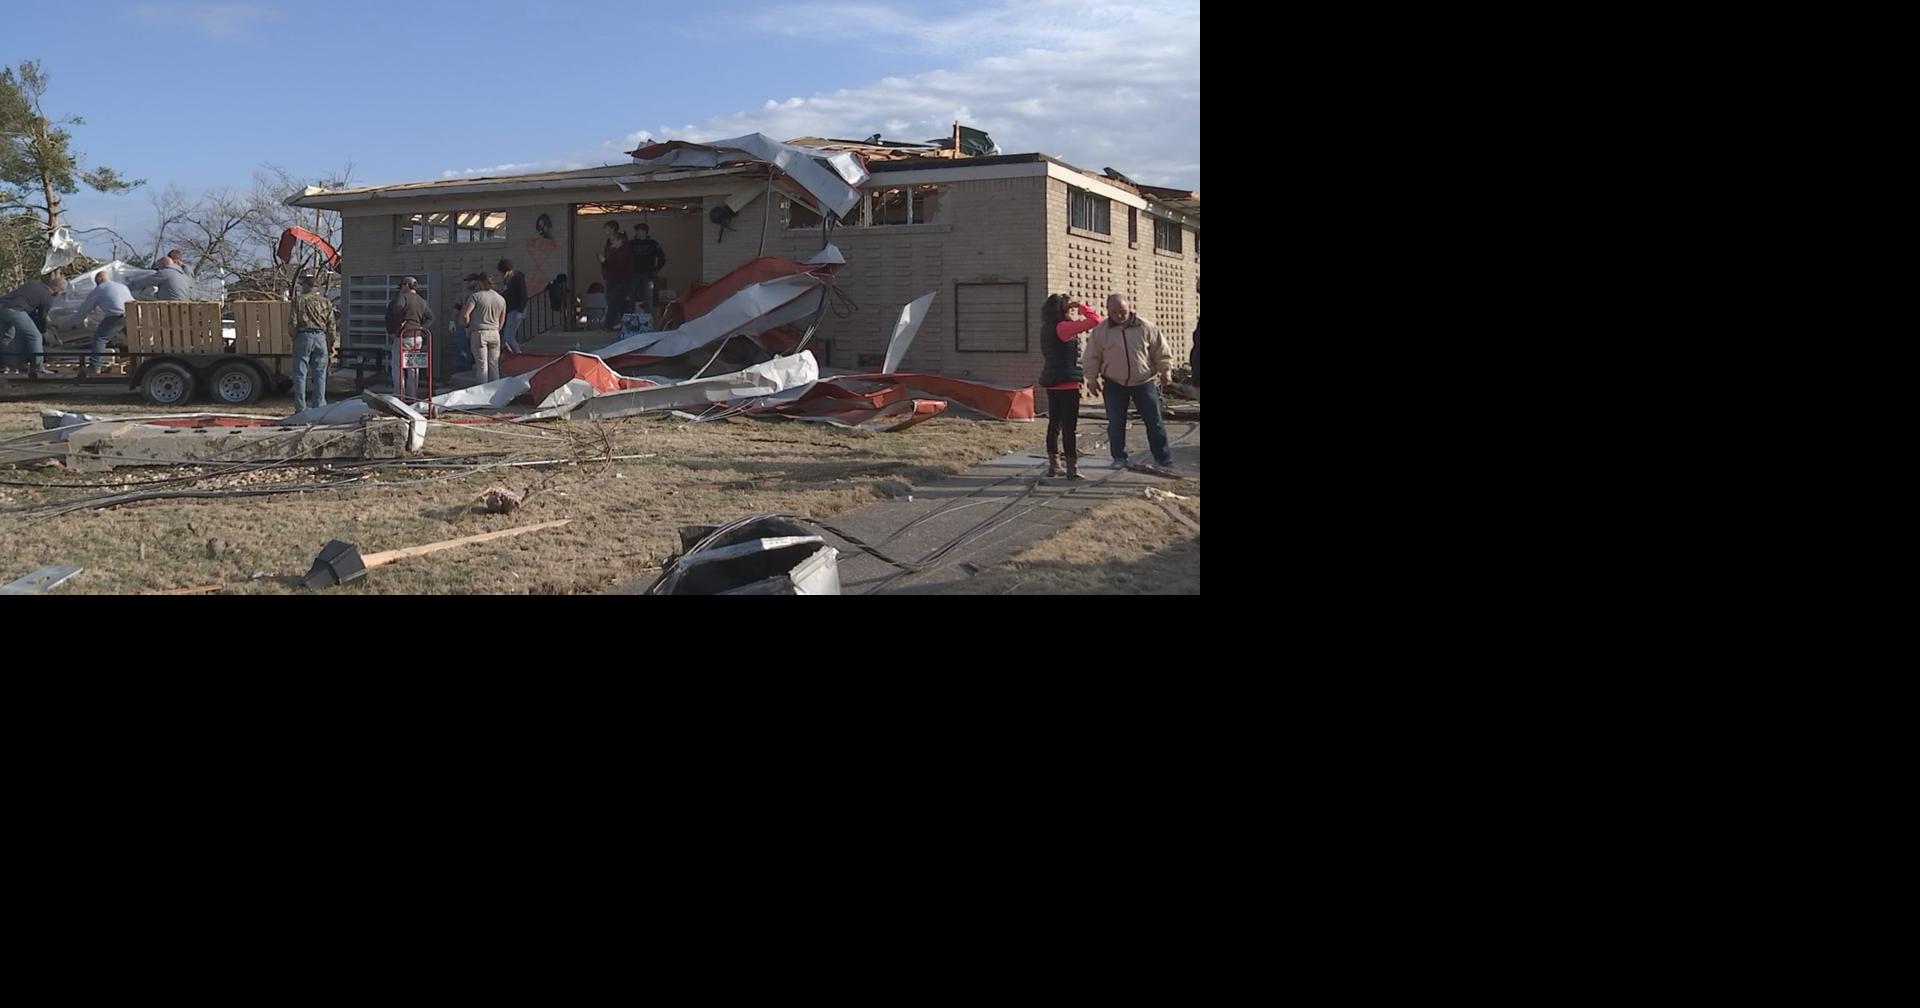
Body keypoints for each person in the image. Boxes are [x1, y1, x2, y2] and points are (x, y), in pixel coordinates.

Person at [1084, 293, 1175, 470]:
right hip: (1114, 383)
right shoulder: (1101, 331)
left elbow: (1160, 351)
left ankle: (1163, 457)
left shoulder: (1145, 326)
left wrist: (1166, 371)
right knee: (1116, 422)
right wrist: (1092, 379)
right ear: (1108, 311)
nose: (1120, 315)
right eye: (1115, 312)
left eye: (1123, 311)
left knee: (1154, 421)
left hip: (1144, 381)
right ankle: (1119, 457)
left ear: (1129, 308)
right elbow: (1092, 357)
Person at [1038, 293, 1101, 479]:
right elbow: (1095, 320)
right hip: (1067, 383)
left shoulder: (1046, 327)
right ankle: (1072, 468)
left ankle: (1054, 465)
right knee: (1069, 428)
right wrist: (1081, 306)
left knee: (1053, 425)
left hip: (1052, 381)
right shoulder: (1064, 328)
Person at [0, 273, 66, 377]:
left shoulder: (33, 283)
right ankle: (38, 367)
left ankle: (12, 366)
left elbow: (24, 297)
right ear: (57, 289)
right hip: (16, 309)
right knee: (35, 336)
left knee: (7, 337)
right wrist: (42, 331)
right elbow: (42, 317)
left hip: (2, 305)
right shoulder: (48, 297)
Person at [290, 274, 336, 413]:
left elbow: (292, 322)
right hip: (321, 337)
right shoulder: (326, 302)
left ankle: (300, 408)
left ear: (305, 286)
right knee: (320, 374)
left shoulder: (298, 300)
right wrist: (331, 343)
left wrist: (294, 337)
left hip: (303, 335)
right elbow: (331, 325)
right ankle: (319, 407)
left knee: (300, 374)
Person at [73, 270, 134, 376]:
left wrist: (73, 323)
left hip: (117, 315)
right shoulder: (122, 286)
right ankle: (135, 363)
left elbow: (85, 309)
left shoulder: (100, 288)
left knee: (100, 338)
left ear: (99, 279)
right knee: (132, 339)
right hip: (132, 314)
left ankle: (94, 367)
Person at [383, 276, 433, 398]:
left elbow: (396, 308)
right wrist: (422, 327)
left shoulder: (403, 297)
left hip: (403, 336)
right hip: (417, 337)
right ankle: (413, 395)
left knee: (398, 366)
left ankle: (399, 394)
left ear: (406, 285)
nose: (400, 289)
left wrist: (398, 324)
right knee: (413, 367)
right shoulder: (421, 300)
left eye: (401, 286)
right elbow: (431, 317)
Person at [459, 271, 507, 385]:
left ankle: (482, 394)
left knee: (482, 366)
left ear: (480, 282)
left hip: (480, 332)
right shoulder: (501, 299)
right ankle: (495, 393)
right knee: (494, 365)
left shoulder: (476, 296)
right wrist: (497, 330)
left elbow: (465, 315)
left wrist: (467, 327)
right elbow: (502, 319)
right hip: (495, 333)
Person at [628, 222, 667, 318]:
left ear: (644, 232)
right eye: (636, 231)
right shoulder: (631, 244)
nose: (636, 233)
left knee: (649, 295)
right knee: (631, 295)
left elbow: (662, 257)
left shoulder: (653, 244)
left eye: (639, 231)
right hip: (634, 274)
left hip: (649, 275)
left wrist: (657, 269)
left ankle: (648, 318)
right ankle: (630, 317)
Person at [598, 221, 632, 328]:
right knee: (614, 301)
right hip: (611, 277)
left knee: (613, 301)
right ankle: (620, 321)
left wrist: (605, 262)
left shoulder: (624, 250)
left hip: (619, 279)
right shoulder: (612, 247)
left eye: (614, 241)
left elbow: (617, 265)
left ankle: (611, 323)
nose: (612, 243)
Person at [498, 258, 528, 351]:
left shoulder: (517, 278)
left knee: (509, 337)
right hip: (511, 309)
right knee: (506, 338)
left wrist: (520, 310)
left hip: (517, 309)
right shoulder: (508, 280)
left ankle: (518, 356)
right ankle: (513, 355)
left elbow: (523, 295)